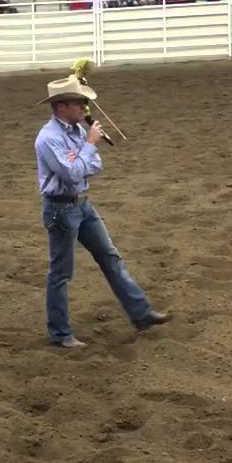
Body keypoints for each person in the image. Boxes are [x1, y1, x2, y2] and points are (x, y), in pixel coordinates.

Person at [35, 63, 170, 348]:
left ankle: (141, 313)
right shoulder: (49, 138)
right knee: (61, 272)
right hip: (62, 208)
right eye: (80, 103)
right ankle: (60, 333)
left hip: (78, 204)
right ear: (62, 106)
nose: (85, 108)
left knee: (110, 258)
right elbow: (74, 171)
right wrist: (90, 146)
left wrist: (85, 153)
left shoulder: (70, 133)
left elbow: (92, 166)